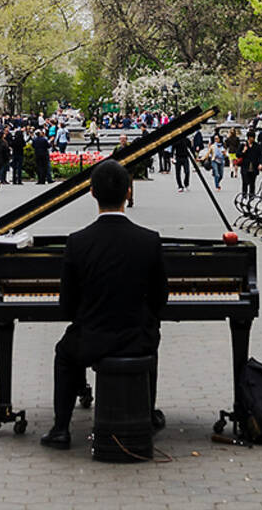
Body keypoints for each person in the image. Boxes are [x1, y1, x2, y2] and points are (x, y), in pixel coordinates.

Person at [42, 159, 168, 450]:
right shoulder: (150, 241)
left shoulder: (77, 242)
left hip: (92, 339)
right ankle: (146, 414)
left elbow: (67, 306)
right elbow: (160, 298)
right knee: (152, 335)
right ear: (128, 193)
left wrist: (88, 320)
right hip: (137, 338)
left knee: (65, 353)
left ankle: (61, 428)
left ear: (91, 193)